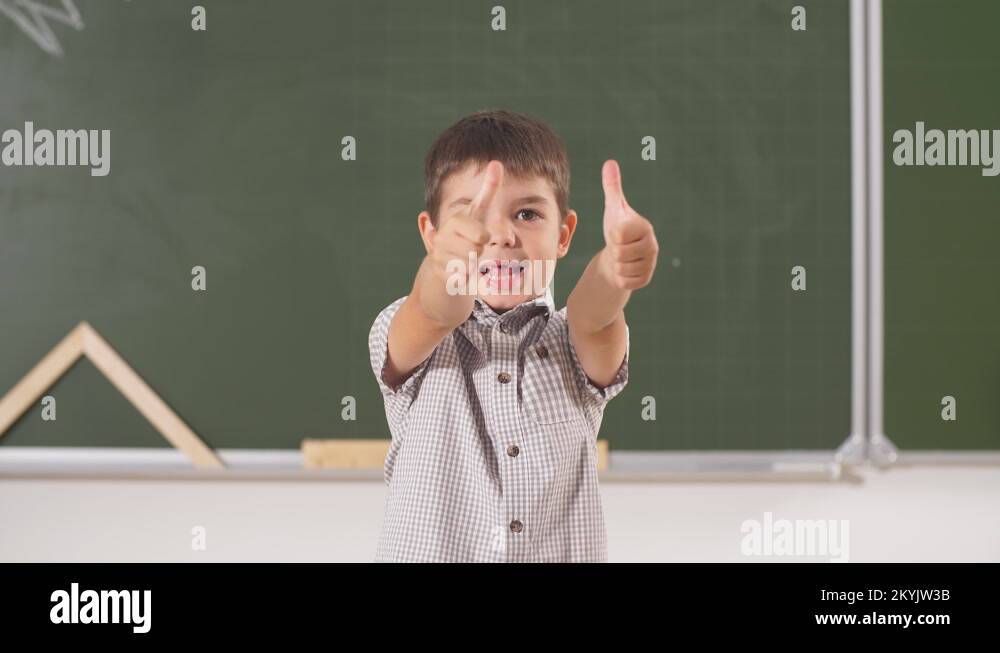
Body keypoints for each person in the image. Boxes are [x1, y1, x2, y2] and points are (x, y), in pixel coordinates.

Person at [368, 109, 659, 562]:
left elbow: (593, 316)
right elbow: (437, 306)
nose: (500, 234)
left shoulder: (572, 344)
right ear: (432, 234)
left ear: (563, 236)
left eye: (527, 213)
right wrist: (444, 269)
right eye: (473, 214)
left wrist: (614, 269)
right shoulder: (406, 332)